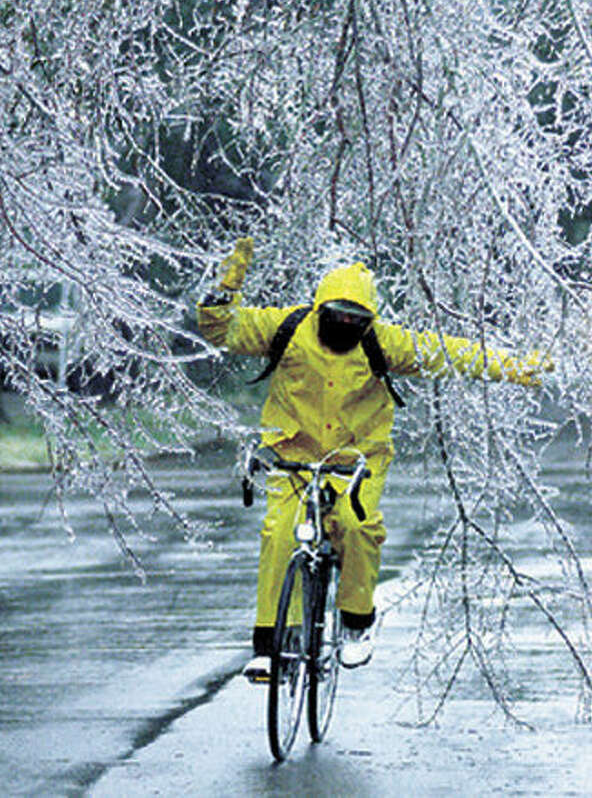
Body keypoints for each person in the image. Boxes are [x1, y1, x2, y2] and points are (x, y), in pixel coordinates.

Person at [197, 238, 548, 681]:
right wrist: (229, 284)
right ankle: (271, 645)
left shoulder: (383, 343)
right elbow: (221, 329)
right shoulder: (285, 328)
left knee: (357, 524)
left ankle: (355, 624)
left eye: (355, 320)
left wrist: (517, 367)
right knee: (279, 533)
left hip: (358, 459)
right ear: (319, 309)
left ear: (368, 322)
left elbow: (448, 352)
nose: (345, 323)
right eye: (337, 316)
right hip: (292, 454)